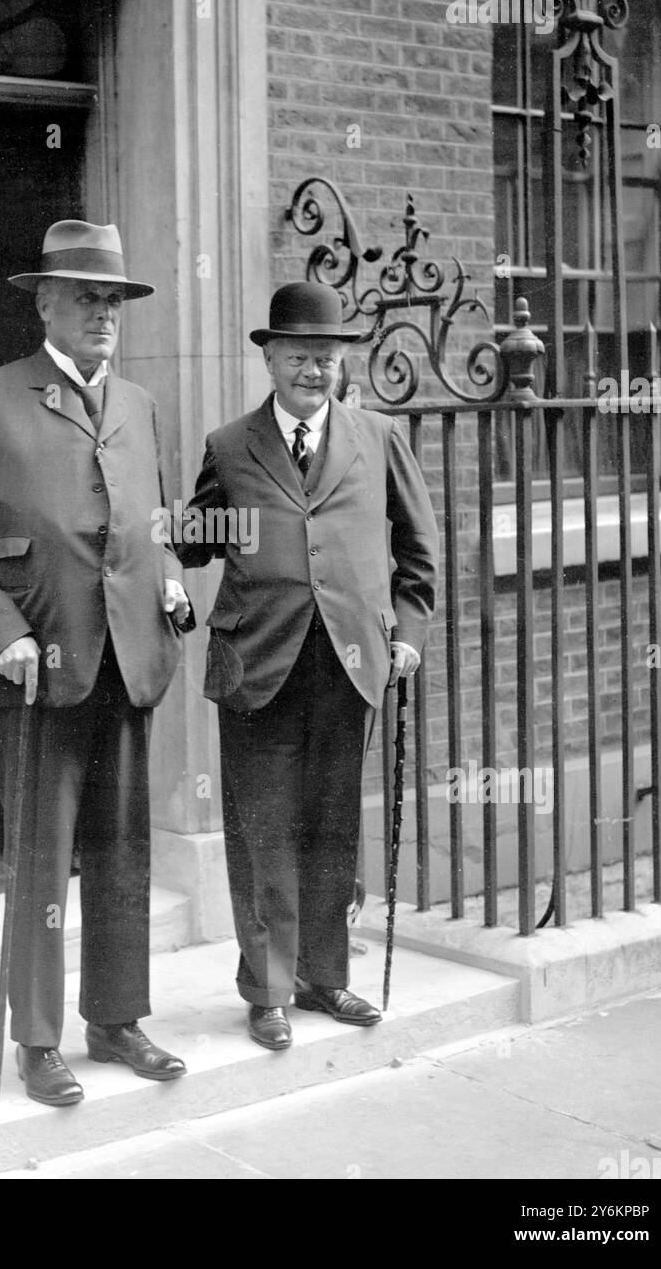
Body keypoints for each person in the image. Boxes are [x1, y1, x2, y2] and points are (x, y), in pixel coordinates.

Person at [0, 220, 191, 1105]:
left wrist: (171, 578)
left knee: (122, 852)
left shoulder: (140, 404)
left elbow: (156, 525)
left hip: (128, 660)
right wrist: (0, 634)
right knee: (39, 862)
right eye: (85, 298)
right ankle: (37, 1041)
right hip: (34, 667)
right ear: (44, 303)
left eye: (113, 301)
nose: (103, 314)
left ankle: (115, 1021)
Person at [177, 281, 439, 1051]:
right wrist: (158, 532)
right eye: (298, 356)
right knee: (263, 829)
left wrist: (409, 634)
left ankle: (324, 978)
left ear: (340, 363)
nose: (313, 370)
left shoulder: (378, 437)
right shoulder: (232, 445)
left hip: (349, 661)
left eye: (325, 357)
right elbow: (197, 539)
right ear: (271, 360)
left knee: (331, 824)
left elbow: (417, 550)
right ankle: (267, 989)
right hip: (257, 659)